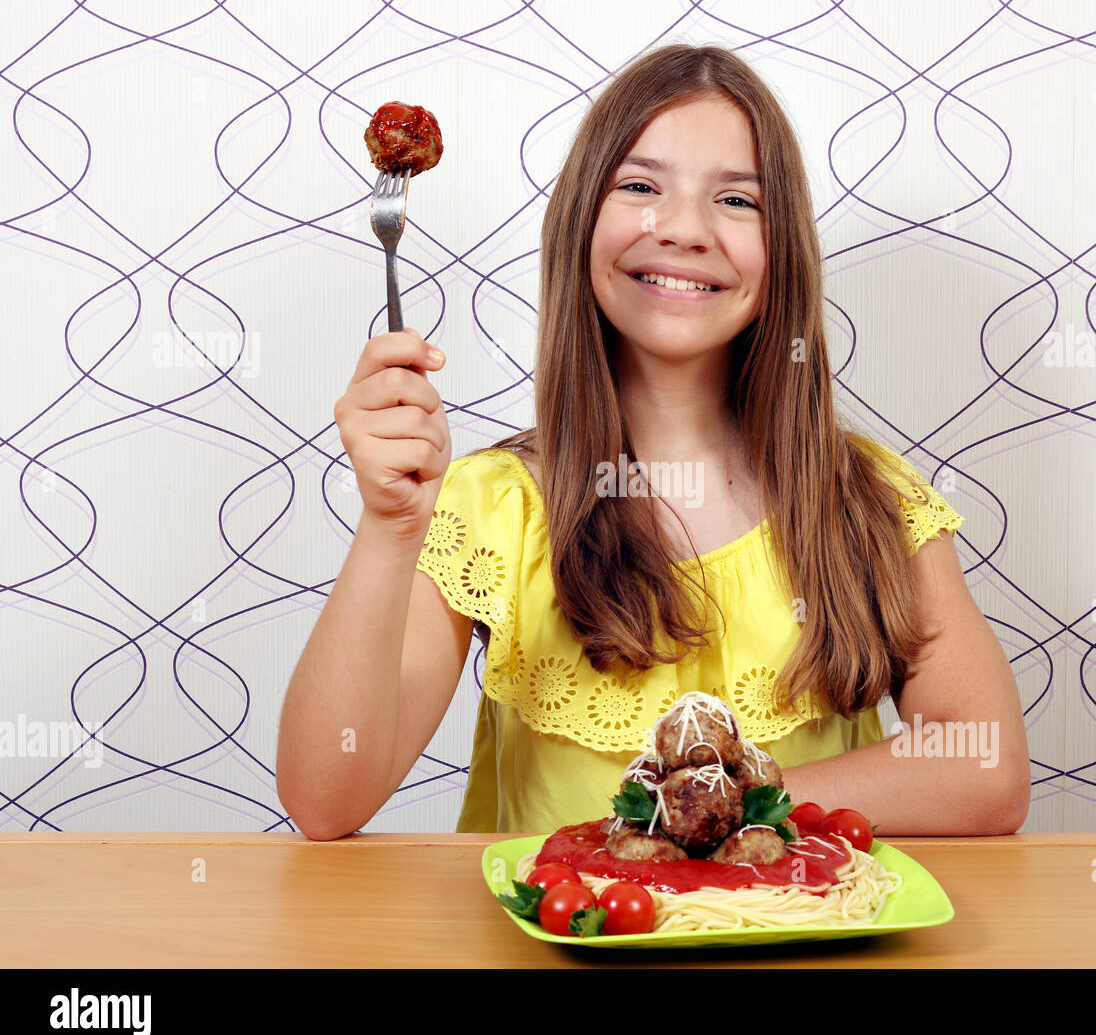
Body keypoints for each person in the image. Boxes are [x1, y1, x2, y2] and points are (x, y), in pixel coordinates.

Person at [277, 44, 1030, 841]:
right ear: (581, 224)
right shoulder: (497, 506)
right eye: (640, 187)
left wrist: (714, 804)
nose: (683, 229)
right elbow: (328, 797)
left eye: (738, 201)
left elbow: (985, 769)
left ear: (783, 255)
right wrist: (391, 529)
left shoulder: (865, 497)